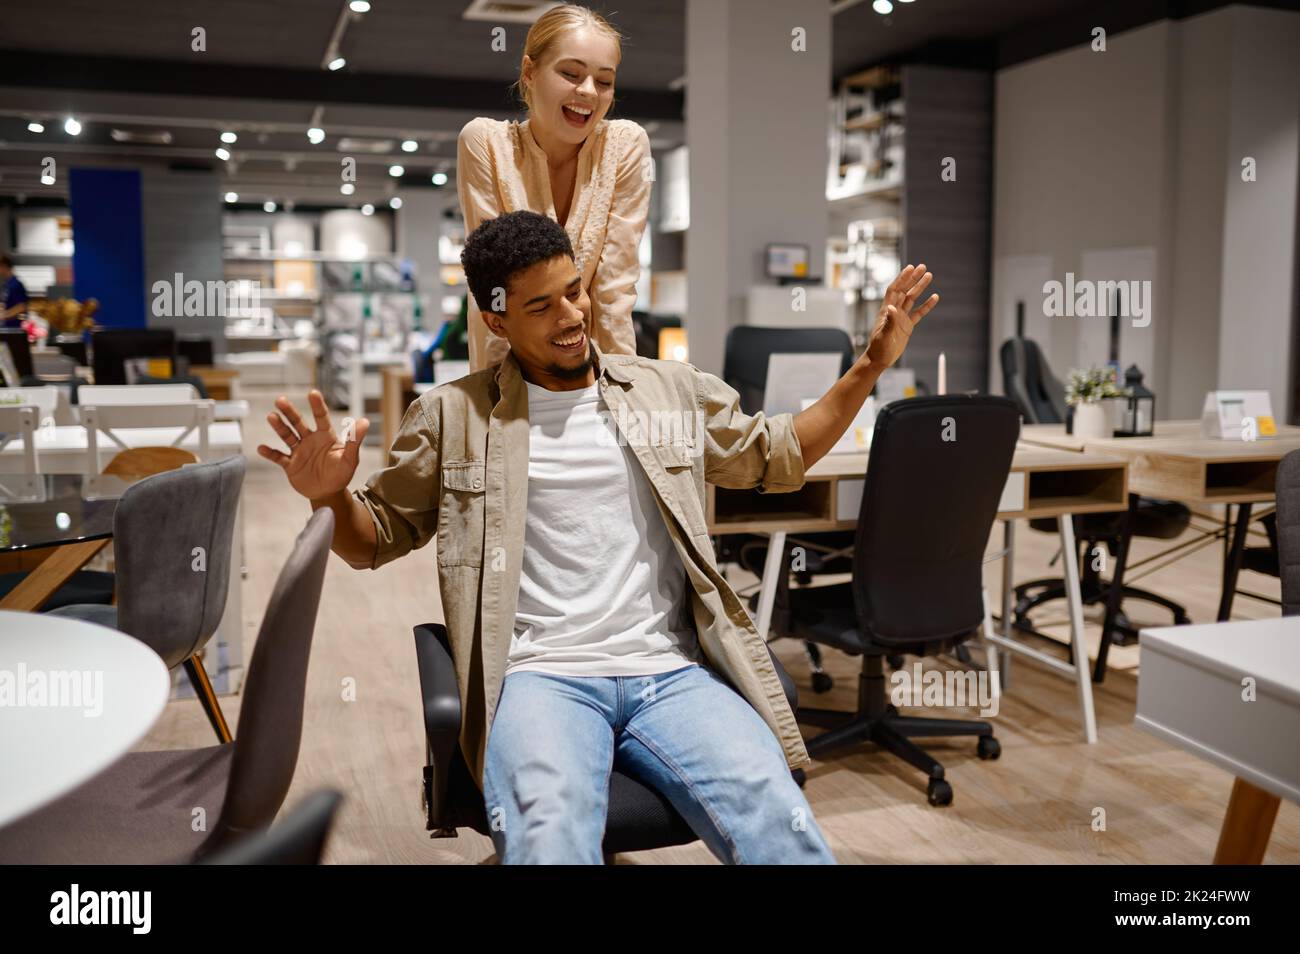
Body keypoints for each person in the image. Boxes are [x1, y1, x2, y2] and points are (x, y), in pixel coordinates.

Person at [258, 211, 938, 864]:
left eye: (575, 291)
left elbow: (778, 454)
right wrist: (328, 494)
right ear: (496, 320)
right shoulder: (451, 417)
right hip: (539, 679)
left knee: (777, 817)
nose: (572, 316)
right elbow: (371, 540)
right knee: (550, 838)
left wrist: (870, 365)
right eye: (542, 306)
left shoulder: (665, 391)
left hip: (671, 674)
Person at [457, 3, 650, 372]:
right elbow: (495, 289)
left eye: (605, 81)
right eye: (571, 73)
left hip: (590, 374)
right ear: (529, 72)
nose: (589, 92)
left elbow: (615, 291)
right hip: (511, 369)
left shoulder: (625, 144)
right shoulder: (484, 142)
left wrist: (627, 394)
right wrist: (498, 403)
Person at [0, 255, 29, 329]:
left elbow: (22, 307)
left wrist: (4, 315)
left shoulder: (16, 284)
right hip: (7, 327)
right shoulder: (6, 284)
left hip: (15, 328)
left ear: (4, 266)